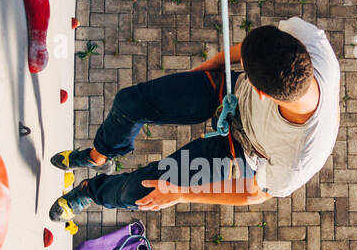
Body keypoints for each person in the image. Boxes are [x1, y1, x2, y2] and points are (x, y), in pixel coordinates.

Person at [49, 18, 340, 220]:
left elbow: (253, 193)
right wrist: (212, 66)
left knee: (143, 190)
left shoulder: (297, 160)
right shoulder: (311, 42)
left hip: (242, 150)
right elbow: (251, 50)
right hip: (230, 92)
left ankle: (91, 190)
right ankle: (100, 154)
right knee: (130, 102)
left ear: (262, 93)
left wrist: (181, 194)